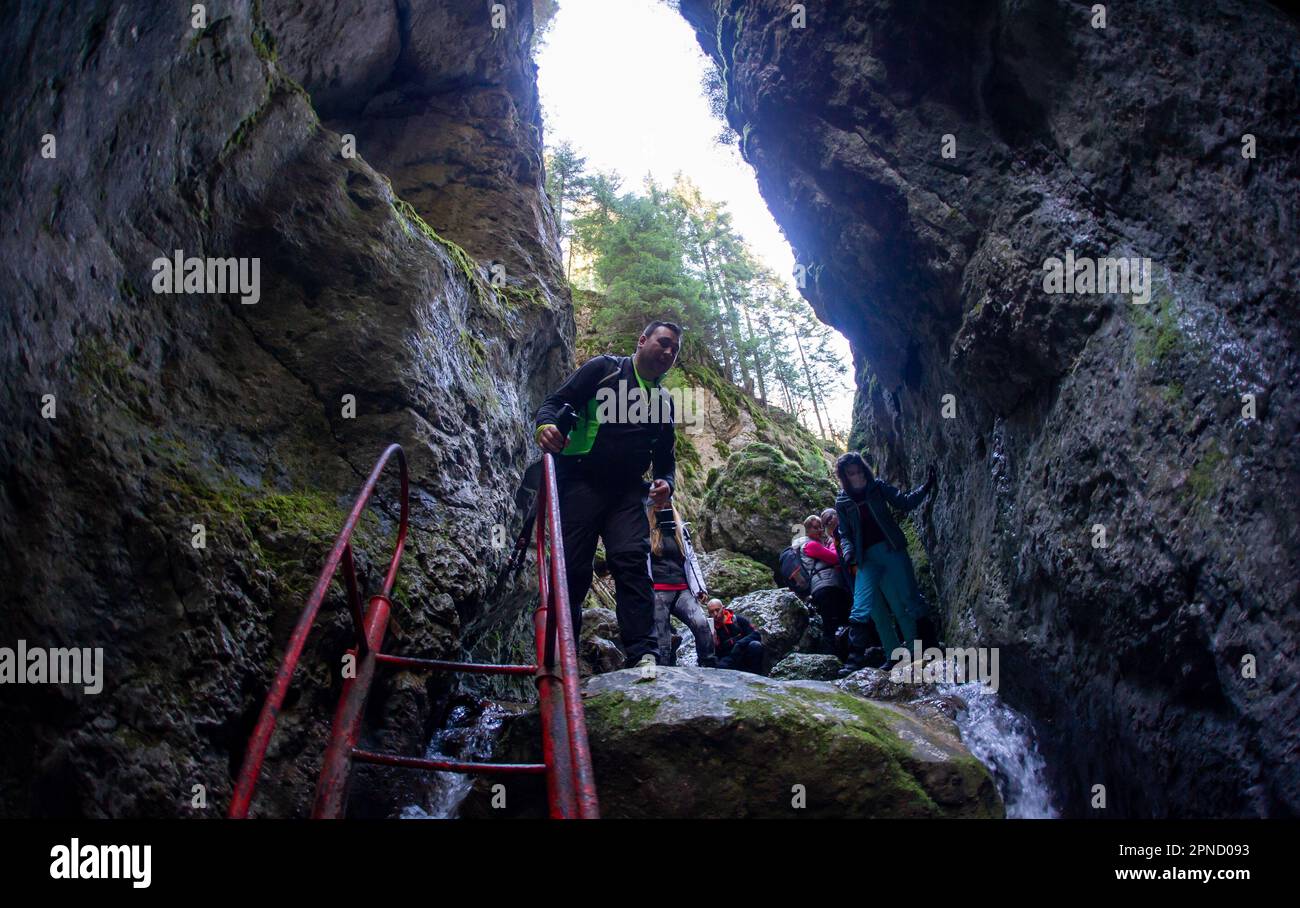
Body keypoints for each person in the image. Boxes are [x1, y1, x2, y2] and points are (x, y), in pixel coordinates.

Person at [534, 321, 683, 679]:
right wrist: (546, 427)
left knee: (632, 562)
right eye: (663, 343)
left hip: (629, 492)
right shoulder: (603, 369)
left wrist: (666, 482)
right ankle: (558, 653)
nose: (668, 353)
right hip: (580, 482)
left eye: (674, 351)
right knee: (572, 567)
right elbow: (555, 402)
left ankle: (643, 653)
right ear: (642, 338)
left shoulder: (663, 402)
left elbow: (666, 459)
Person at [834, 452, 936, 673]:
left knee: (903, 602)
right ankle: (865, 658)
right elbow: (845, 533)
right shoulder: (842, 501)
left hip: (891, 550)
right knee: (863, 607)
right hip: (865, 558)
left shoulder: (877, 487)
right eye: (852, 473)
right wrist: (849, 553)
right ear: (845, 476)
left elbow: (904, 502)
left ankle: (916, 650)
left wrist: (926, 487)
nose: (857, 475)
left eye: (859, 470)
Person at [648, 502, 716, 667]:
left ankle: (708, 666)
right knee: (662, 639)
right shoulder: (645, 531)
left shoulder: (681, 531)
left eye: (666, 505)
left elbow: (691, 560)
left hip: (682, 590)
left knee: (701, 624)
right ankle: (663, 674)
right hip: (658, 592)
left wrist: (699, 588)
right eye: (659, 506)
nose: (663, 508)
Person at [796, 514, 852, 653]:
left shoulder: (812, 544)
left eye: (821, 526)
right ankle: (831, 658)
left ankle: (838, 654)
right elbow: (835, 558)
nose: (820, 530)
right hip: (826, 587)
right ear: (807, 530)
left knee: (835, 622)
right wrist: (833, 542)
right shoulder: (810, 545)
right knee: (831, 624)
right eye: (816, 527)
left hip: (826, 586)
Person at [707, 598, 764, 674]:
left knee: (755, 645)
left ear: (723, 608)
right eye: (711, 612)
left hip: (744, 654)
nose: (715, 614)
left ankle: (757, 676)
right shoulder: (709, 628)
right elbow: (710, 654)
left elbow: (755, 635)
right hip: (728, 658)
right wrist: (713, 643)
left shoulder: (737, 620)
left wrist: (739, 644)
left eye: (717, 610)